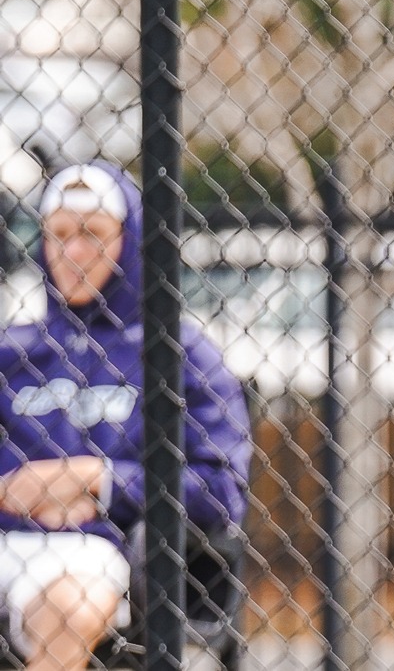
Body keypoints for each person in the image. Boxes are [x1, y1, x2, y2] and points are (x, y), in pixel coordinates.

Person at [0, 162, 251, 671]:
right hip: (8, 534)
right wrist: (19, 491)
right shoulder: (12, 351)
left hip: (103, 553)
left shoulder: (177, 352)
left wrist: (99, 481)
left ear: (131, 239)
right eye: (59, 234)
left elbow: (222, 490)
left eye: (92, 234)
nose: (73, 252)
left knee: (66, 609)